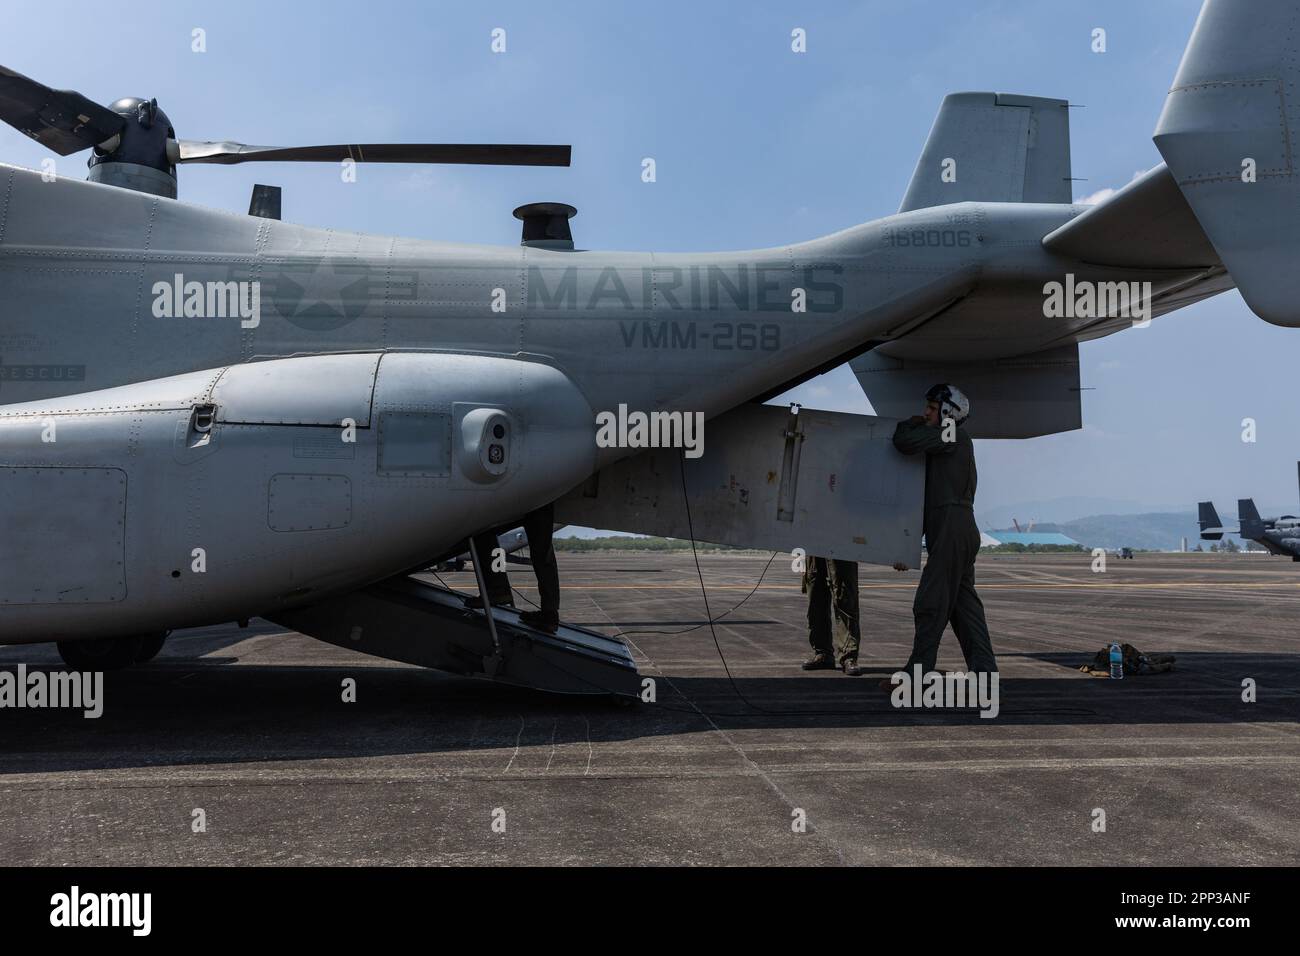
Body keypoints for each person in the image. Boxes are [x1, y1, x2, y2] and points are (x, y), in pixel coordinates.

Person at [886, 384, 997, 682]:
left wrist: (912, 422)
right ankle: (985, 675)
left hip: (952, 529)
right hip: (952, 531)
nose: (926, 412)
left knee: (930, 604)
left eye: (932, 408)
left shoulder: (951, 435)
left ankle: (917, 676)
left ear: (948, 413)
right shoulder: (948, 443)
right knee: (965, 611)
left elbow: (904, 440)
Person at [465, 502, 561, 633]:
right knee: (544, 553)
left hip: (522, 499)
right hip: (543, 499)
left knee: (483, 532)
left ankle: (497, 588)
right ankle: (550, 613)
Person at [801, 556, 863, 675]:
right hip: (814, 546)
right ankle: (822, 653)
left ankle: (848, 656)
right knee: (815, 600)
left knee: (844, 597)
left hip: (841, 546)